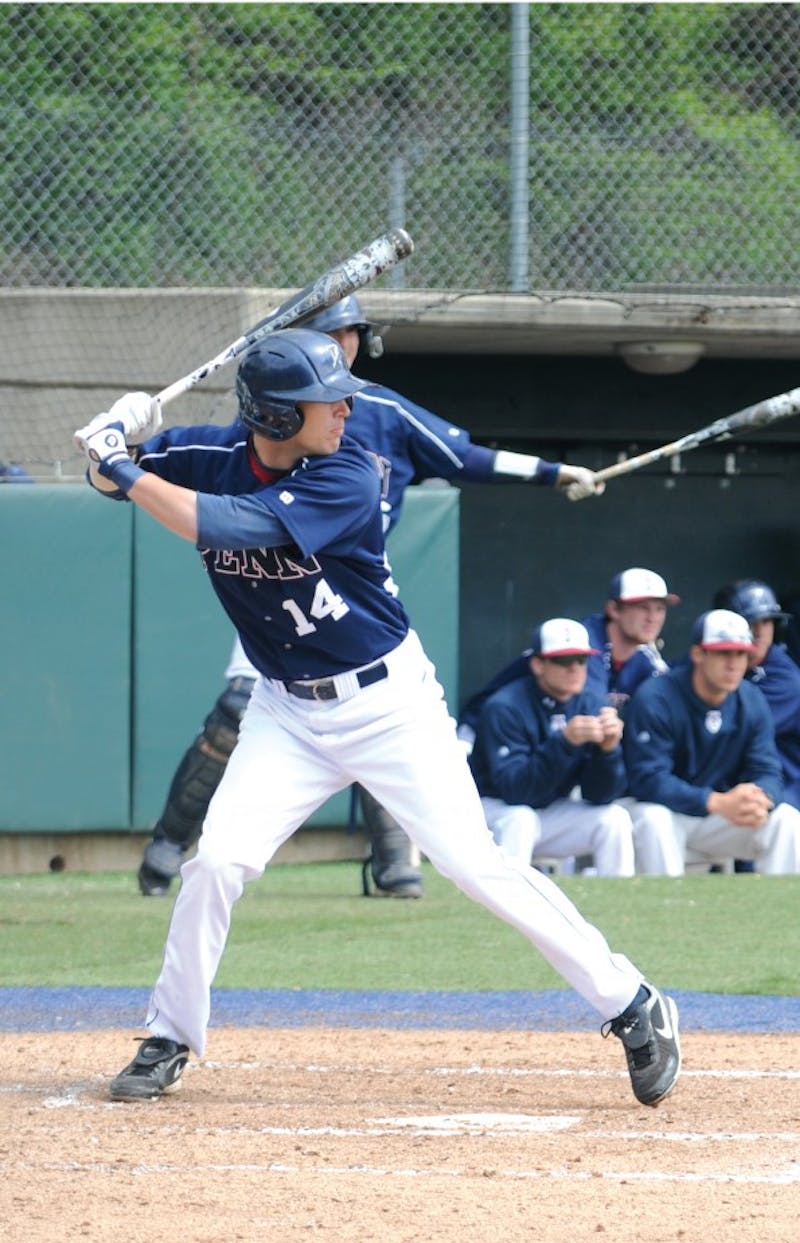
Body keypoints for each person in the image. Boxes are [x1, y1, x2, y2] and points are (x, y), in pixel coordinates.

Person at [74, 326, 680, 1110]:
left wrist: (122, 464)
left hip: (387, 704)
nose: (346, 407)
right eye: (326, 400)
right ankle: (169, 1033)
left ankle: (632, 1001)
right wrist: (111, 442)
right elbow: (116, 481)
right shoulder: (204, 456)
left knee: (474, 864)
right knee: (218, 860)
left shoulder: (350, 474)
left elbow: (225, 525)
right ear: (276, 415)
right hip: (286, 710)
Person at [136, 295, 606, 901]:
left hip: (344, 596)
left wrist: (550, 471)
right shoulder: (272, 411)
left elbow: (462, 456)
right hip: (260, 584)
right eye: (325, 332)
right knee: (236, 714)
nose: (340, 351)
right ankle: (169, 846)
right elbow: (228, 472)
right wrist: (119, 454)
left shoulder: (376, 410)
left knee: (367, 718)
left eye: (348, 333)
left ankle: (392, 860)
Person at [623, 608, 800, 875]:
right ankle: (662, 912)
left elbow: (767, 770)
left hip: (718, 815)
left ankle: (780, 914)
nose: (733, 663)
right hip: (664, 811)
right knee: (653, 820)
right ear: (698, 654)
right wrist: (716, 802)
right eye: (723, 653)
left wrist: (761, 797)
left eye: (740, 653)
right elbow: (649, 780)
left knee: (786, 820)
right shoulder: (656, 697)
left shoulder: (751, 699)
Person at [469, 619, 634, 876]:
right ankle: (511, 903)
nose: (575, 669)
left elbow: (599, 796)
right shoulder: (505, 706)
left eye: (581, 660)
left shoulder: (590, 704)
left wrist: (608, 752)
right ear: (538, 664)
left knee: (614, 818)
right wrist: (564, 743)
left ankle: (621, 908)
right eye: (563, 661)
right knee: (520, 819)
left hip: (548, 813)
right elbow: (515, 791)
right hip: (492, 812)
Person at [458, 566, 678, 747]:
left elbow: (672, 705)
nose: (653, 618)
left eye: (660, 608)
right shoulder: (583, 643)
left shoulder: (645, 655)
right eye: (642, 607)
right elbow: (593, 713)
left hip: (542, 746)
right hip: (482, 736)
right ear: (614, 609)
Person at [712, 579, 800, 809]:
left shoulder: (785, 680)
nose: (760, 631)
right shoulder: (706, 664)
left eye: (767, 621)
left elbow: (728, 730)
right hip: (735, 784)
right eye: (751, 621)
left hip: (785, 787)